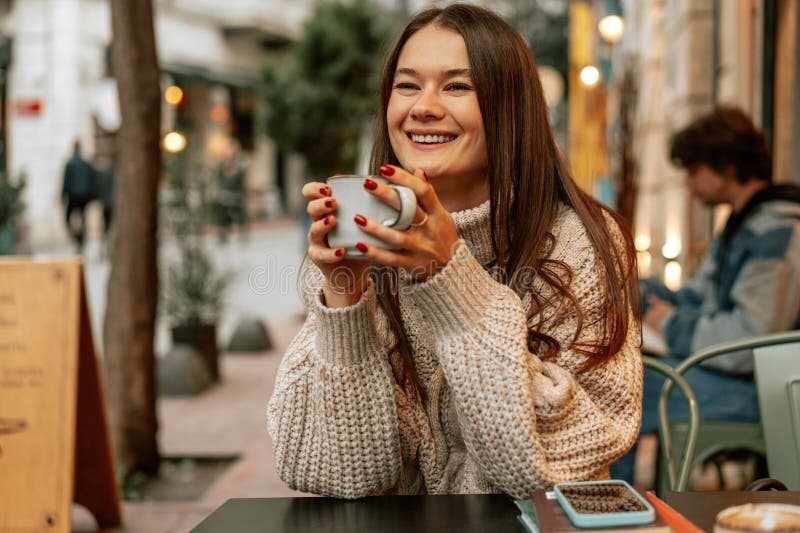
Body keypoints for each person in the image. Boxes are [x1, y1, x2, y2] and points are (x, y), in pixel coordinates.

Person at [267, 4, 641, 500]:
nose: (423, 106)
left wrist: (450, 277)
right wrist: (345, 298)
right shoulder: (363, 238)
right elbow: (345, 477)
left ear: (511, 106)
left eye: (457, 86)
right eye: (407, 85)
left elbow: (544, 473)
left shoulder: (581, 243)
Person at [612, 106, 800, 484]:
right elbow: (702, 297)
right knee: (625, 373)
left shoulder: (776, 229)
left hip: (764, 391)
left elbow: (751, 340)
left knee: (625, 387)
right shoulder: (744, 220)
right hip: (739, 378)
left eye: (693, 169)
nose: (687, 183)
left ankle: (613, 513)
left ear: (726, 165)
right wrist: (640, 289)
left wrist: (670, 322)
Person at [61, 140, 98, 250]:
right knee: (82, 218)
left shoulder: (70, 164)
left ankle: (78, 239)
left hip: (73, 196)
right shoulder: (86, 163)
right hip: (84, 196)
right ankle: (81, 239)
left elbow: (66, 181)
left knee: (68, 219)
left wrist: (63, 196)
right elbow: (93, 179)